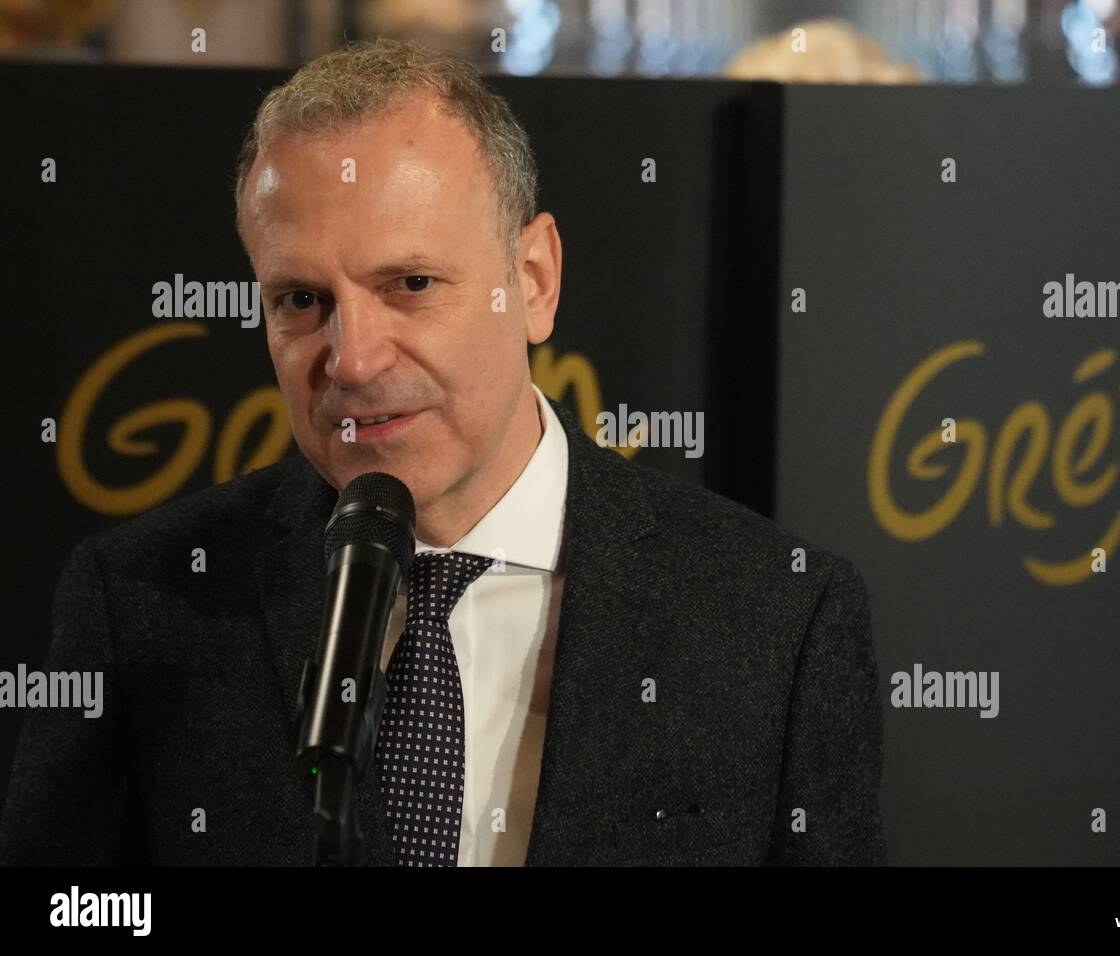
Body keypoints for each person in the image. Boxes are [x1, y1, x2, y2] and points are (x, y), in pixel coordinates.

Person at [0, 39, 885, 867]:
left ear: (532, 281)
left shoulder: (775, 621)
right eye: (301, 299)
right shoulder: (143, 600)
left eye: (411, 284)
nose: (352, 358)